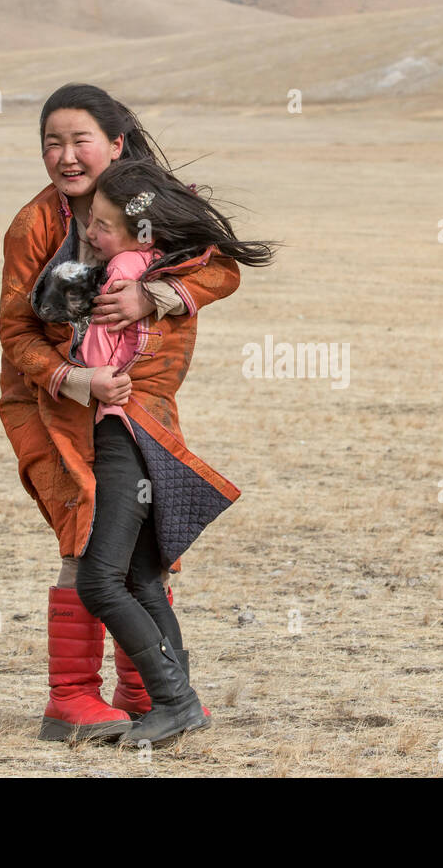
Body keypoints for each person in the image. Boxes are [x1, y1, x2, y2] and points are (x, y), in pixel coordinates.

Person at [0, 83, 241, 741]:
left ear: (116, 143)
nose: (66, 156)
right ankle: (72, 699)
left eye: (80, 140)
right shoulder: (37, 225)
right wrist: (78, 379)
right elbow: (17, 336)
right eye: (52, 142)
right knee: (87, 537)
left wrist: (153, 296)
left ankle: (151, 696)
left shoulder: (153, 206)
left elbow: (222, 269)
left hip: (141, 404)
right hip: (55, 400)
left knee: (144, 548)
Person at [69, 158, 275, 744]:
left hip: (123, 433)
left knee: (100, 581)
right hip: (150, 432)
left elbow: (95, 359)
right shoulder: (163, 271)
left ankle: (177, 702)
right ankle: (180, 705)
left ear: (139, 232)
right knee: (141, 577)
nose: (91, 234)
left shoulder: (125, 272)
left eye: (101, 226)